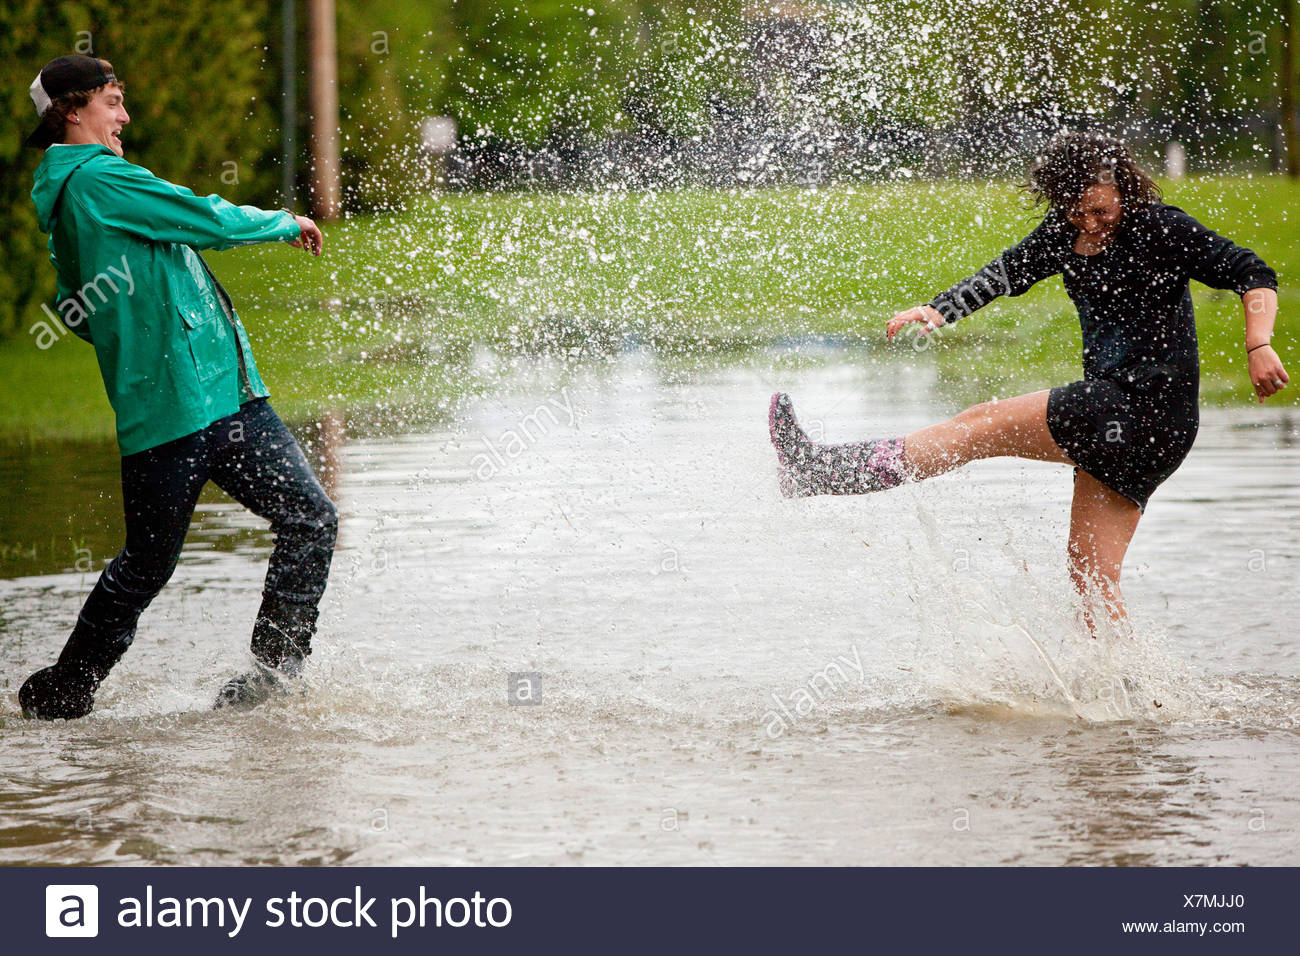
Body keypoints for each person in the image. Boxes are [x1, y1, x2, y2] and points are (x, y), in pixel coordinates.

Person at [769, 131, 1286, 632]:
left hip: (1142, 409)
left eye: (1101, 211)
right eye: (1076, 211)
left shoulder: (1160, 226)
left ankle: (822, 472)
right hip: (1144, 429)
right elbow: (1006, 272)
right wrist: (937, 310)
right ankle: (1122, 696)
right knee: (1090, 576)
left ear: (1123, 189)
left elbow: (1252, 272)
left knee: (976, 427)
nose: (1091, 223)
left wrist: (1257, 345)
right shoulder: (1065, 235)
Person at [18, 55, 337, 719]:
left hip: (217, 400)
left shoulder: (72, 194)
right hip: (185, 411)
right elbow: (202, 217)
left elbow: (71, 305)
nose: (124, 116)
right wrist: (281, 220)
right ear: (71, 111)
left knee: (294, 523)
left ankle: (260, 684)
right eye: (113, 101)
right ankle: (70, 689)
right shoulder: (97, 180)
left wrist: (136, 337)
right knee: (156, 562)